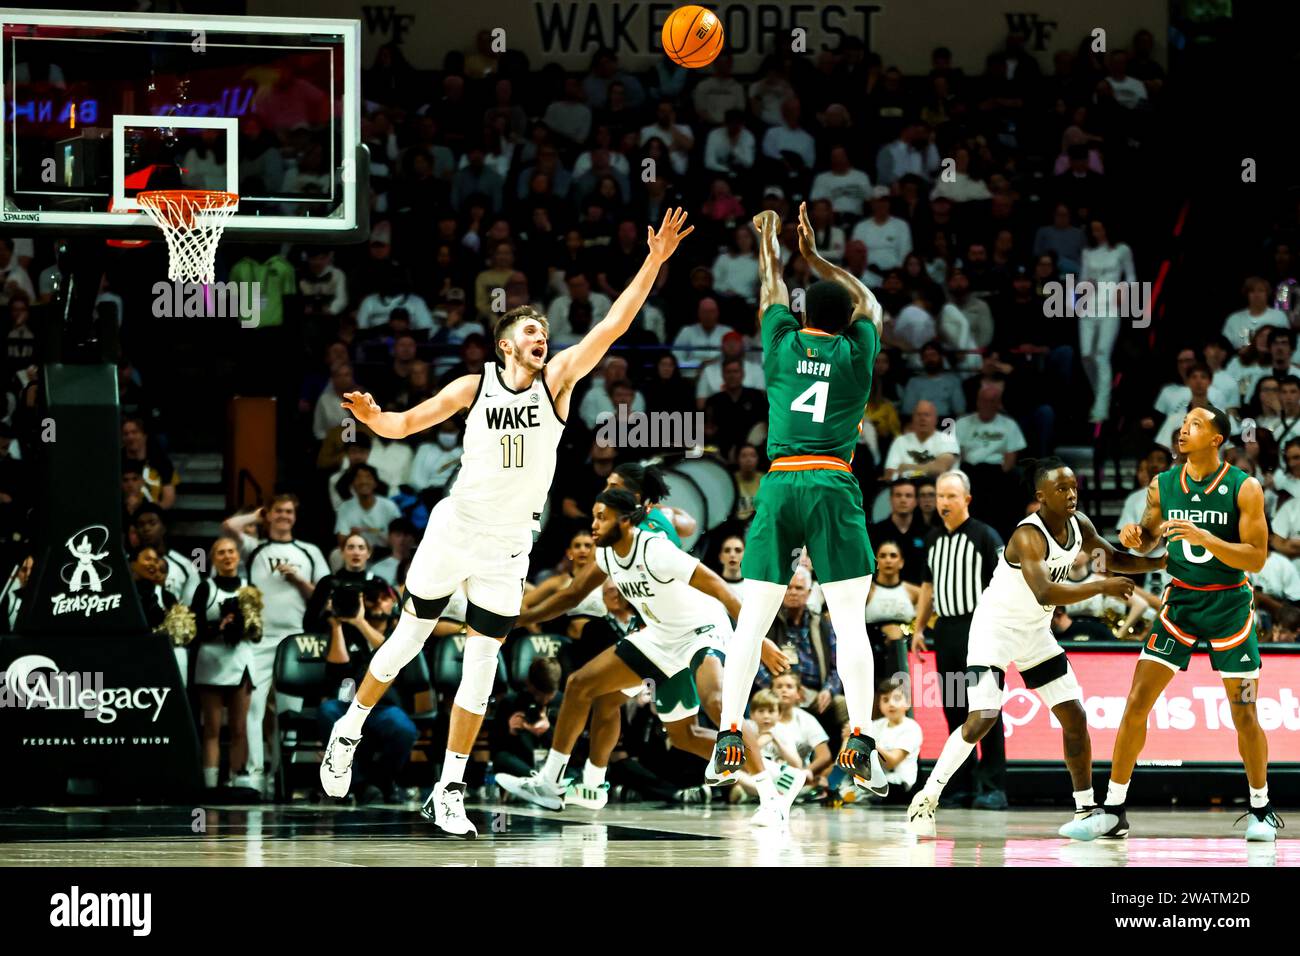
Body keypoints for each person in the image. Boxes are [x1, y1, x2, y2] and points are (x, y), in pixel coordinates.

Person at [318, 208, 694, 838]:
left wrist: (654, 260)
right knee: (410, 637)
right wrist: (375, 416)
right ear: (504, 344)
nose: (540, 335)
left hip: (509, 544)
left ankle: (448, 788)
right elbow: (405, 425)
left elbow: (612, 325)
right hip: (455, 527)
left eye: (543, 329)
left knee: (483, 663)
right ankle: (348, 728)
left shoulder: (559, 380)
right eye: (529, 329)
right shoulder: (474, 385)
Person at [714, 201, 890, 800]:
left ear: (802, 314)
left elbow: (771, 288)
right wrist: (818, 255)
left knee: (750, 622)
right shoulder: (858, 351)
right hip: (833, 481)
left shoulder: (782, 345)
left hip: (782, 479)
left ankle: (729, 731)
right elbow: (871, 303)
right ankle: (861, 737)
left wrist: (769, 240)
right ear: (846, 323)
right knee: (849, 625)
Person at [497, 489, 796, 825]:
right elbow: (571, 595)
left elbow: (720, 588)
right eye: (593, 516)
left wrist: (758, 639)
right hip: (660, 635)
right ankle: (551, 783)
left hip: (703, 627)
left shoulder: (655, 550)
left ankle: (772, 797)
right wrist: (517, 620)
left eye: (601, 517)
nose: (593, 525)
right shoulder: (607, 555)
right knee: (587, 688)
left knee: (716, 702)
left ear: (625, 520)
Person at [1064, 407, 1284, 842]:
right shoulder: (1162, 484)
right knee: (1136, 701)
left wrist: (1207, 539)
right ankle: (1113, 810)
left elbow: (1257, 557)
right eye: (1184, 423)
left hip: (1230, 609)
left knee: (1244, 712)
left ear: (1218, 439)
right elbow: (1149, 536)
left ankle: (1261, 809)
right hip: (1179, 604)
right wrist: (1135, 537)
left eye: (1197, 424)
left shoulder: (1245, 487)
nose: (1185, 428)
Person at [907, 459, 1161, 836]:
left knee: (1074, 717)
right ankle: (927, 797)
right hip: (994, 630)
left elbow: (1116, 558)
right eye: (1062, 489)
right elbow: (1046, 590)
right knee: (981, 719)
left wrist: (1166, 560)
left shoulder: (1080, 526)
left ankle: (1085, 810)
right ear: (1041, 496)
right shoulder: (1028, 535)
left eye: (1074, 486)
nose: (1071, 493)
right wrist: (1099, 586)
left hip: (1035, 634)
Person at [908, 471, 1006, 808]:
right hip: (947, 631)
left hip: (981, 631)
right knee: (954, 709)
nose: (943, 503)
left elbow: (1005, 583)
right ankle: (962, 783)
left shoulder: (985, 536)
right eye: (939, 496)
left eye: (950, 496)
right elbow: (927, 588)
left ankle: (994, 786)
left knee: (986, 710)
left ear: (967, 499)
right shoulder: (933, 540)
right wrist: (920, 627)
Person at [221, 495, 329, 795]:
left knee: (288, 714)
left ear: (296, 517)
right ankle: (256, 773)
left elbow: (321, 598)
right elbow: (229, 526)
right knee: (253, 709)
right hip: (260, 638)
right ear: (270, 516)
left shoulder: (308, 551)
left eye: (289, 512)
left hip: (296, 639)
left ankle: (285, 778)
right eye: (278, 511)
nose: (284, 516)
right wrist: (258, 515)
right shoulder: (256, 549)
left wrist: (297, 579)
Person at [191, 537, 260, 790]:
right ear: (213, 559)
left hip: (240, 660)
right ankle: (209, 784)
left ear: (238, 557)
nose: (227, 556)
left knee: (239, 727)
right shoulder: (205, 588)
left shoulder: (247, 586)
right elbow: (194, 629)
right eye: (221, 552)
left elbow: (257, 630)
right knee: (211, 728)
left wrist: (241, 626)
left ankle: (239, 782)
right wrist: (218, 626)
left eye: (231, 551)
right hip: (211, 661)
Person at [490, 658, 563, 779]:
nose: (544, 701)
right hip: (525, 766)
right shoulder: (511, 702)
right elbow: (495, 747)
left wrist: (548, 731)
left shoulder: (565, 704)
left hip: (555, 766)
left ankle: (540, 782)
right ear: (529, 684)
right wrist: (510, 731)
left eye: (549, 695)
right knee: (502, 760)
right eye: (539, 694)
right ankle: (537, 781)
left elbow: (573, 749)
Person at [871, 677, 923, 800]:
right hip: (878, 783)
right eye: (885, 700)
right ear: (879, 704)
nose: (891, 704)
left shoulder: (911, 728)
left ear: (908, 702)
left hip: (899, 787)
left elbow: (890, 763)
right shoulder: (877, 725)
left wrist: (868, 741)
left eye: (897, 698)